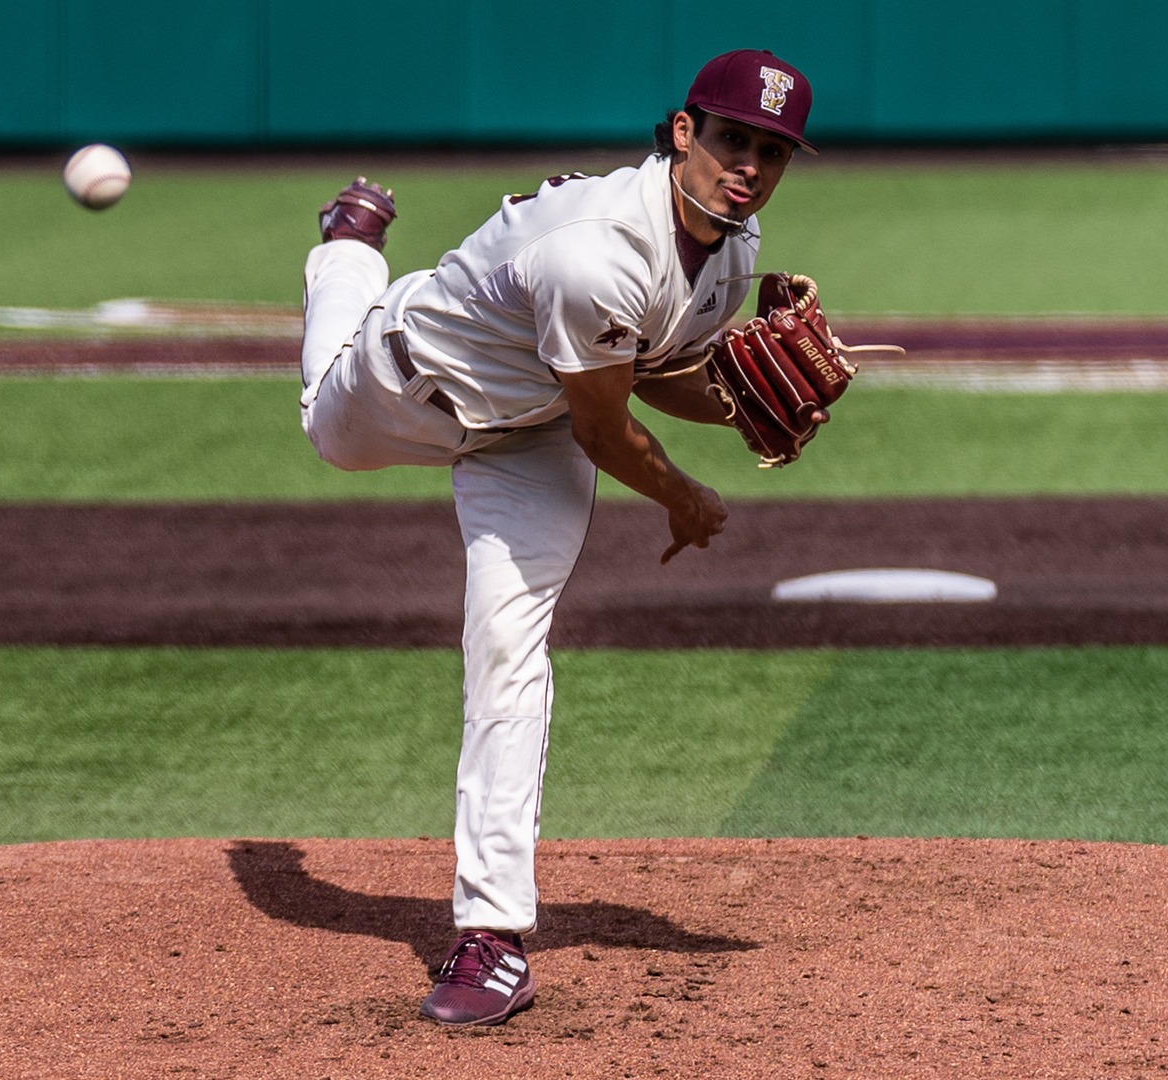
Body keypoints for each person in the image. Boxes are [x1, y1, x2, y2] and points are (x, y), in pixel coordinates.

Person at [296, 48, 815, 1027]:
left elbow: (651, 370)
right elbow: (606, 427)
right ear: (682, 133)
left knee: (506, 646)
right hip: (411, 383)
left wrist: (749, 404)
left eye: (774, 151)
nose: (749, 165)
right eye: (733, 139)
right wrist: (687, 498)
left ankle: (490, 939)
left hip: (527, 439)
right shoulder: (594, 249)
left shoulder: (736, 250)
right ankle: (348, 252)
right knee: (324, 423)